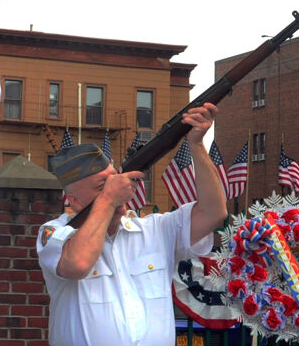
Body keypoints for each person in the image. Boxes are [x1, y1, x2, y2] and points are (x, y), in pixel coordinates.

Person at [36, 103, 228, 345]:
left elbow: (214, 213)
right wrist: (108, 198)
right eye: (101, 186)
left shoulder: (154, 231)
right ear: (73, 201)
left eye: (115, 180)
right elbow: (78, 264)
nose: (118, 189)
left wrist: (197, 145)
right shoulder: (55, 234)